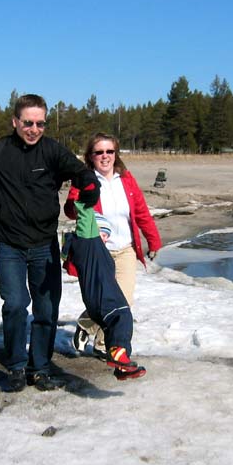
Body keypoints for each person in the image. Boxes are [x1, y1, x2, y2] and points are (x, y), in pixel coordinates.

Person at [0, 94, 99, 392]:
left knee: (47, 310)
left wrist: (90, 184)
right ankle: (16, 366)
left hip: (44, 244)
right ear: (15, 122)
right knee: (16, 305)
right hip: (9, 244)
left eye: (40, 123)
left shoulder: (51, 151)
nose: (34, 129)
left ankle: (41, 368)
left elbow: (80, 172)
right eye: (28, 123)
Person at [64, 132, 162, 357]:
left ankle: (90, 328)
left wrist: (153, 241)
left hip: (126, 248)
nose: (105, 156)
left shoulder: (126, 179)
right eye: (99, 152)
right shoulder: (85, 178)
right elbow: (70, 211)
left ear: (116, 154)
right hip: (99, 251)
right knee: (105, 300)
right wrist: (78, 200)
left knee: (124, 301)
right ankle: (103, 345)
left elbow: (141, 212)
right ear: (91, 156)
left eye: (109, 151)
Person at [62, 200, 146, 380]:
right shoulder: (88, 243)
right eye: (103, 233)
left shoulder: (93, 250)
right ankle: (117, 354)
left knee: (112, 328)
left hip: (96, 300)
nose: (106, 238)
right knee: (122, 316)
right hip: (102, 297)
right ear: (91, 231)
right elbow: (85, 215)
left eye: (107, 235)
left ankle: (121, 365)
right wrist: (85, 190)